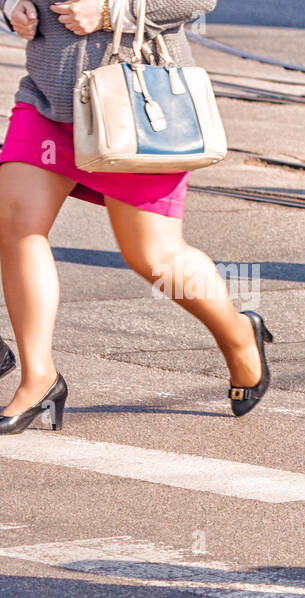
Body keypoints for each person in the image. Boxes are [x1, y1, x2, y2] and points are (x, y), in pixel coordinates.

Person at [0, 0, 271, 436]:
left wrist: (110, 12)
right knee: (16, 224)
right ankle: (39, 379)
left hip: (138, 101)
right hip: (49, 100)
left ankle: (239, 335)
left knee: (154, 257)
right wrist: (12, 7)